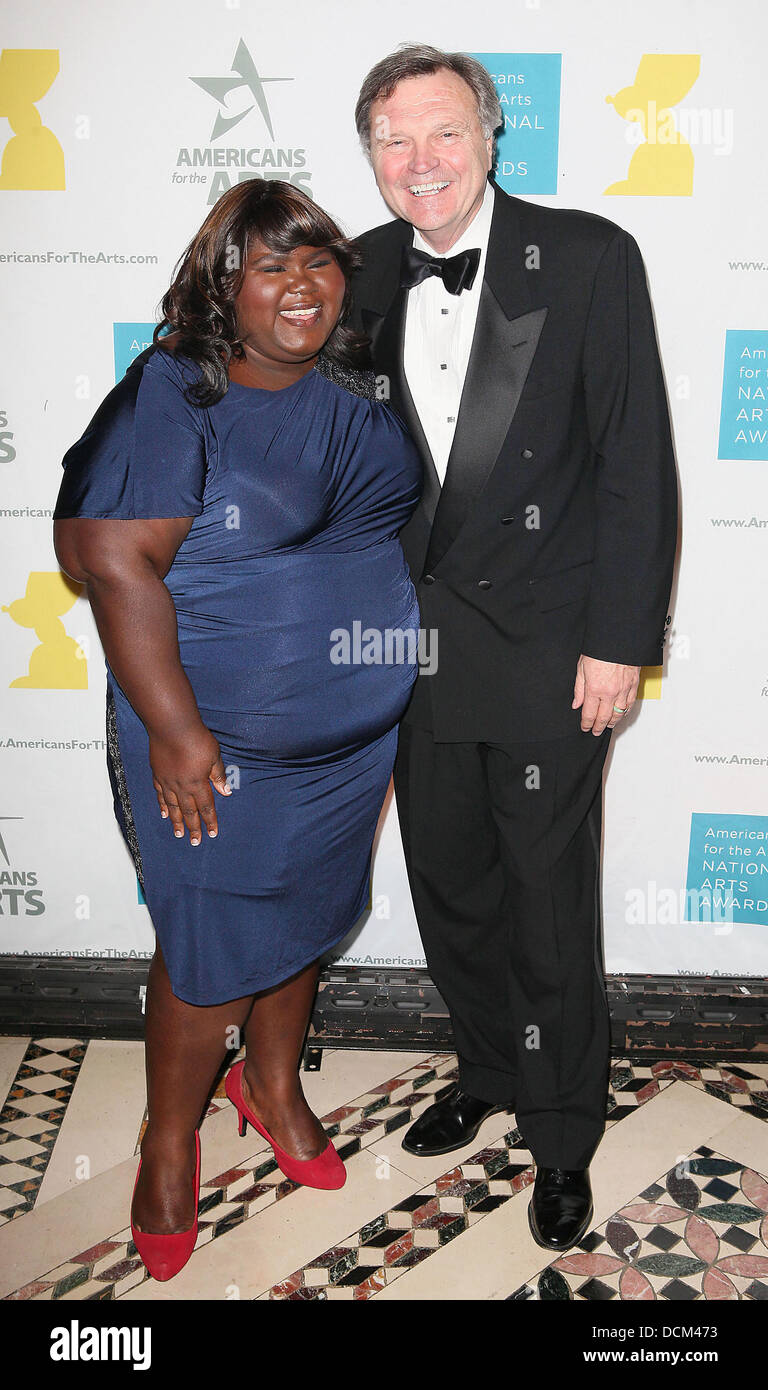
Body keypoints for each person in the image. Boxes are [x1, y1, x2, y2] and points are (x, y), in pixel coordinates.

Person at [52, 179, 422, 1281]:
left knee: (303, 920)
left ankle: (270, 1089)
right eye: (270, 264)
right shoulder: (178, 391)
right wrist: (174, 732)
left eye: (316, 260)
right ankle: (168, 1142)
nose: (299, 284)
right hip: (217, 742)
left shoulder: (359, 379)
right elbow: (109, 557)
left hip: (351, 740)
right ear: (224, 285)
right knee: (211, 949)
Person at [350, 44, 678, 1251]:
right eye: (393, 138)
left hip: (549, 647)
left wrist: (617, 643)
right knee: (452, 885)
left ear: (491, 136)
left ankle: (561, 1129)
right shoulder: (358, 272)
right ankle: (487, 1065)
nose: (419, 160)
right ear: (372, 158)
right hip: (408, 652)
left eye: (441, 131)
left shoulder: (588, 257)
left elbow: (635, 463)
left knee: (545, 901)